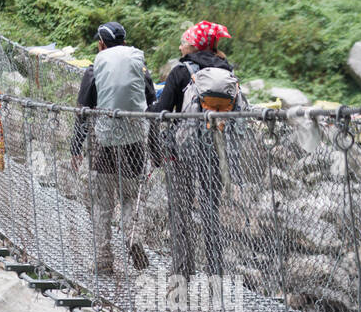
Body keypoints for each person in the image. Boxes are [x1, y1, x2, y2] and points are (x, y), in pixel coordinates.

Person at [150, 21, 244, 280]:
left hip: (180, 151)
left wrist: (147, 109)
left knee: (180, 211)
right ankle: (215, 273)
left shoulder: (181, 70)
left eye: (183, 42)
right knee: (210, 211)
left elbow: (162, 111)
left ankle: (182, 273)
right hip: (213, 149)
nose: (180, 46)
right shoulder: (227, 69)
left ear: (193, 45)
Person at [70, 22, 157, 276]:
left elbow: (82, 113)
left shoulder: (94, 69)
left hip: (102, 145)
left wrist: (76, 147)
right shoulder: (139, 67)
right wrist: (155, 148)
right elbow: (151, 106)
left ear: (101, 43)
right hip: (135, 143)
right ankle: (132, 237)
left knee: (102, 206)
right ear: (124, 42)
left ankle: (104, 261)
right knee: (130, 198)